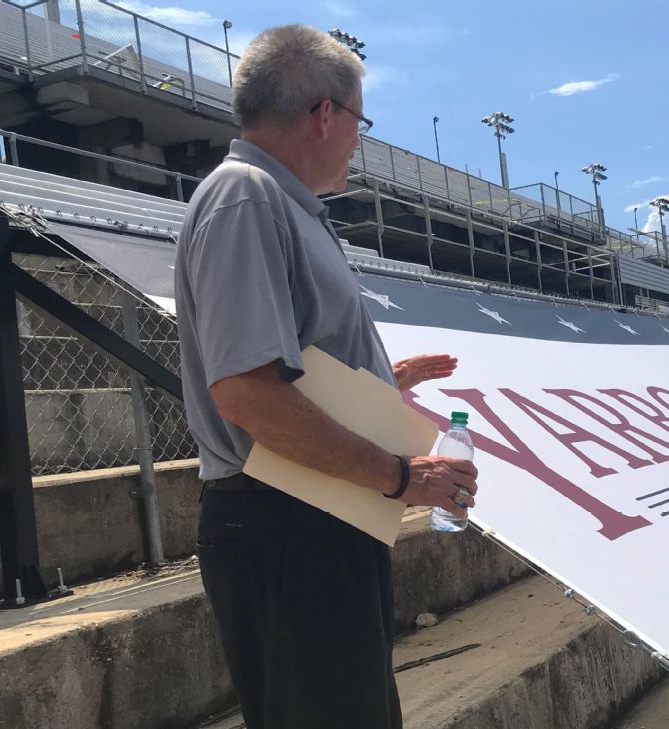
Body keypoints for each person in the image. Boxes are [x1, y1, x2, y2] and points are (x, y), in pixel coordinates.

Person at [173, 25, 478, 729]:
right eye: (359, 123)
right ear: (323, 114)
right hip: (289, 523)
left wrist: (379, 382)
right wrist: (400, 476)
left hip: (312, 516)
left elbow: (279, 369)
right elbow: (246, 391)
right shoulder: (247, 197)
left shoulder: (274, 202)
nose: (357, 141)